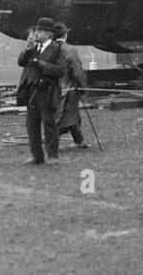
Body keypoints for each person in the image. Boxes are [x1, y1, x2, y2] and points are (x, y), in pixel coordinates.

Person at [16, 18, 66, 165]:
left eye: (40, 31)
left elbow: (60, 70)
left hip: (46, 92)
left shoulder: (57, 49)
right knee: (32, 125)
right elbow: (21, 62)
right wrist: (28, 49)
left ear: (49, 34)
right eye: (37, 30)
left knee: (49, 124)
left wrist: (41, 64)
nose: (36, 33)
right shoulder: (34, 48)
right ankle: (37, 156)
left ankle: (53, 156)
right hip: (31, 91)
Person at [54, 21, 89, 148]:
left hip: (52, 89)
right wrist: (83, 87)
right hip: (67, 89)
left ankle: (80, 141)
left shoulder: (48, 49)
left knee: (72, 116)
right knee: (63, 118)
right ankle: (51, 143)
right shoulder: (70, 49)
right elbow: (77, 70)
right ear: (65, 35)